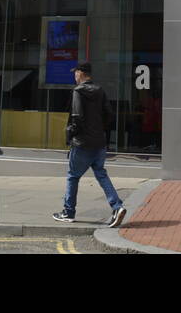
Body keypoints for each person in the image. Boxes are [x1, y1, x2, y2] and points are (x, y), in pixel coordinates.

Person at [52, 62, 127, 227]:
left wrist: (71, 132)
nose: (74, 76)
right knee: (100, 173)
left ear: (81, 73)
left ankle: (68, 212)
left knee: (73, 176)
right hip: (99, 142)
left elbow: (77, 117)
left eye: (75, 73)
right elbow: (109, 115)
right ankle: (117, 207)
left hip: (82, 143)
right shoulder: (100, 91)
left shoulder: (78, 92)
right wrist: (99, 130)